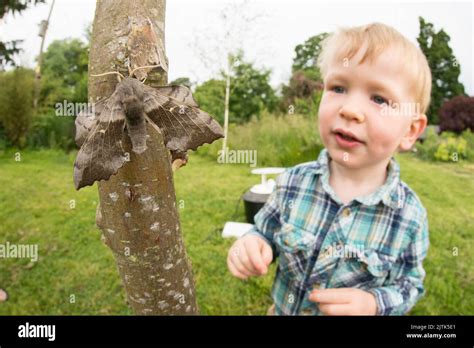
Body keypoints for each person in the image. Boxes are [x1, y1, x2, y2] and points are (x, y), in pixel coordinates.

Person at [227, 22, 431, 315]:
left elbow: (410, 284)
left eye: (378, 98)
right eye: (338, 88)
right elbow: (266, 231)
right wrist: (253, 243)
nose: (349, 109)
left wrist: (374, 303)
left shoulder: (409, 216)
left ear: (411, 130)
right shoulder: (292, 183)